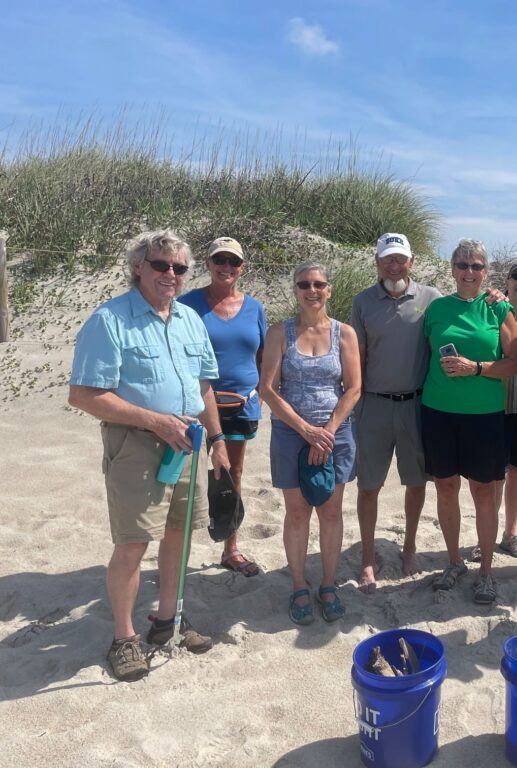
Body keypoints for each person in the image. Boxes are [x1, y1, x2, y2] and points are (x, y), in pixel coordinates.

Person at [69, 229, 229, 682]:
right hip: (138, 444)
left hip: (190, 442)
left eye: (179, 268)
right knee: (133, 543)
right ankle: (124, 638)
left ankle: (167, 622)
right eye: (161, 265)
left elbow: (203, 387)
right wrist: (155, 420)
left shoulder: (189, 320)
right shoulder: (110, 320)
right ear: (138, 266)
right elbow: (83, 394)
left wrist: (217, 441)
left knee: (178, 533)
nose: (171, 274)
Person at [421, 239, 517, 605]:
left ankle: (486, 571)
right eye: (462, 265)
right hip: (438, 411)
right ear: (452, 269)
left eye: (477, 266)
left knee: (483, 492)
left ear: (486, 272)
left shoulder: (498, 309)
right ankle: (453, 561)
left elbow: (515, 364)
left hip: (484, 416)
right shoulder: (436, 309)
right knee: (445, 487)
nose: (469, 272)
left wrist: (476, 368)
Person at [260, 262, 361, 625]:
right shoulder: (279, 333)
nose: (312, 290)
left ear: (329, 290)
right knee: (298, 511)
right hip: (291, 432)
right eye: (304, 284)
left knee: (331, 511)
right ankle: (300, 585)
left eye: (319, 284)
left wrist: (328, 430)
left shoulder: (344, 333)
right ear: (296, 290)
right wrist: (306, 430)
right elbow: (267, 389)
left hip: (335, 432)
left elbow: (354, 388)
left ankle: (329, 584)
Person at [350, 233, 441, 592]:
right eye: (387, 258)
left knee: (416, 482)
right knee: (369, 485)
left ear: (411, 262)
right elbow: (357, 355)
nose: (394, 265)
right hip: (373, 404)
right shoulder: (362, 302)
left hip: (416, 406)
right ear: (377, 261)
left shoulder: (430, 299)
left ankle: (409, 546)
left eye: (400, 258)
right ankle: (368, 559)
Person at [178, 237, 267, 578]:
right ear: (209, 263)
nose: (226, 267)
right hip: (194, 403)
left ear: (242, 267)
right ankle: (178, 550)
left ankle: (231, 547)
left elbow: (261, 355)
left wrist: (256, 391)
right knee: (187, 477)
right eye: (220, 260)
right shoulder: (188, 304)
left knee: (231, 474)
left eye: (233, 261)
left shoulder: (254, 307)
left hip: (241, 405)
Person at [471, 262, 517, 562]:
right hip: (493, 406)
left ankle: (510, 533)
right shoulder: (493, 311)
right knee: (493, 475)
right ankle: (486, 535)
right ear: (507, 282)